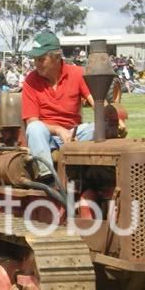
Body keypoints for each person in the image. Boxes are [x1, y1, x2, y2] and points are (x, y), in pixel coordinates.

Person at [22, 30, 97, 182]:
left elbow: (97, 102)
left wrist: (114, 118)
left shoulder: (77, 73)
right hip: (47, 138)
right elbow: (31, 121)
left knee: (100, 128)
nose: (36, 64)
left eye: (41, 59)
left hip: (74, 134)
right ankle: (48, 177)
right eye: (35, 60)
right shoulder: (30, 81)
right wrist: (58, 129)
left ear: (57, 57)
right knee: (35, 128)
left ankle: (97, 176)